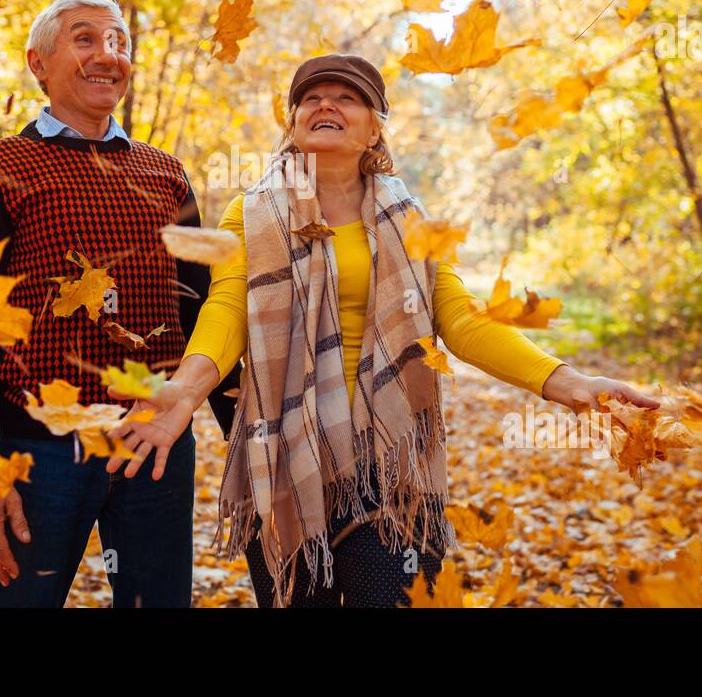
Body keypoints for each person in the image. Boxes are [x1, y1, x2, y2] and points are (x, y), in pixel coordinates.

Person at [105, 53, 660, 607]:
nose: (325, 104)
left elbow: (461, 320)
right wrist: (185, 387)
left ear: (375, 126)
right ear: (293, 122)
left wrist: (568, 382)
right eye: (310, 97)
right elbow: (226, 311)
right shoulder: (250, 214)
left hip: (388, 458)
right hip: (285, 456)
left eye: (346, 97)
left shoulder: (407, 219)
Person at [0, 0, 237, 607]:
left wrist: (246, 443)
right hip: (41, 453)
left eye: (120, 42)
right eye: (84, 39)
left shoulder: (167, 174)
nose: (108, 55)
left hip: (155, 445)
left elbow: (203, 317)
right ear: (37, 62)